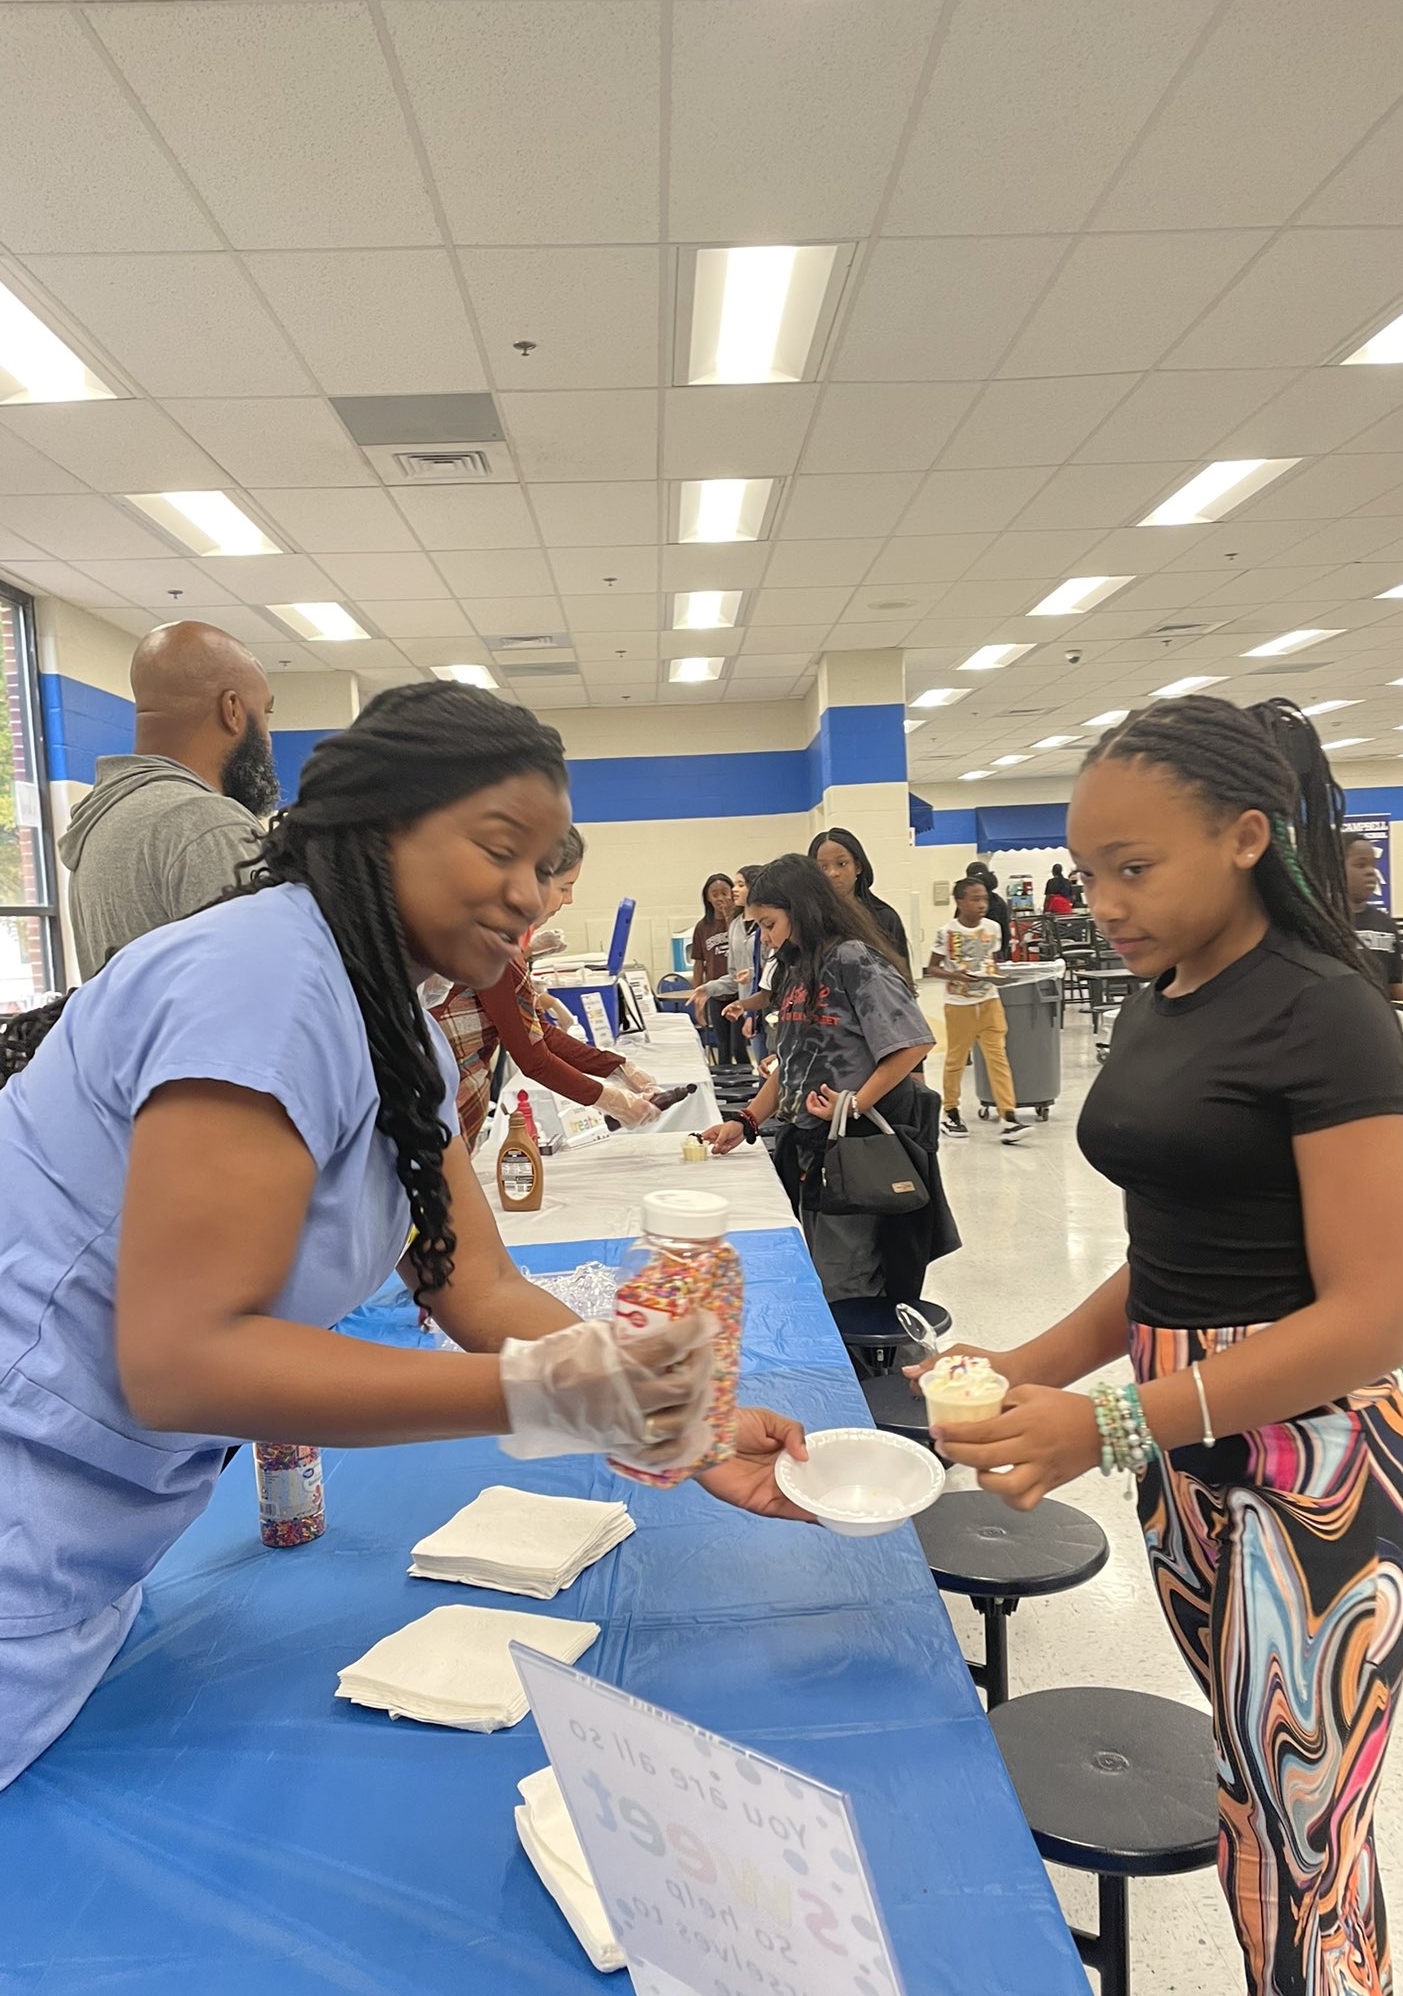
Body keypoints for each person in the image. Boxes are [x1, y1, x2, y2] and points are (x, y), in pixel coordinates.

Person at [0, 684, 810, 1792]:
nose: (529, 894)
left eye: (545, 863)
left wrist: (682, 1422)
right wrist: (550, 1392)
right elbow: (182, 1360)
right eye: (499, 848)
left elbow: (475, 1284)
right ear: (379, 826)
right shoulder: (264, 978)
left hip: (87, 1543)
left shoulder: (395, 1027)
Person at [932, 696, 1403, 1996]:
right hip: (1190, 1463)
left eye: (1134, 868)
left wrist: (1106, 1421)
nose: (1100, 902)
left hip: (1320, 1481)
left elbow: (1373, 1318)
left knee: (1296, 1852)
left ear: (1245, 838)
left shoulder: (1327, 1014)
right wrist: (1029, 1361)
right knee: (1265, 1819)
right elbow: (1170, 1255)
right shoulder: (1165, 998)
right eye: (1087, 869)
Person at [704, 856, 955, 1303]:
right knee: (816, 1270)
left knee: (845, 1281)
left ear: (801, 909)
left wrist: (856, 1102)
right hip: (808, 1144)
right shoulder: (793, 967)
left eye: (769, 924)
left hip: (854, 1148)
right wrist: (746, 1120)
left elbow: (912, 1043)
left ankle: (858, 1348)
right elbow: (792, 1063)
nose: (766, 937)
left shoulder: (852, 959)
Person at [59, 621, 280, 978]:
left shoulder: (102, 819)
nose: (267, 738)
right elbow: (265, 987)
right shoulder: (206, 823)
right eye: (265, 715)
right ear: (233, 710)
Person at [429, 826, 658, 1147]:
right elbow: (533, 1058)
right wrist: (611, 1100)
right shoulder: (493, 945)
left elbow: (536, 1031)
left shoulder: (485, 929)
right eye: (565, 887)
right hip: (439, 1105)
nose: (569, 900)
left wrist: (617, 1066)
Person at [926, 876, 1030, 1144]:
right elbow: (933, 967)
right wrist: (957, 976)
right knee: (956, 1060)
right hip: (959, 1006)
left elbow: (990, 960)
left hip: (989, 1002)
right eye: (975, 899)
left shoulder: (993, 928)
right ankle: (950, 1111)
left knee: (998, 1059)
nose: (982, 904)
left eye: (984, 899)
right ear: (960, 902)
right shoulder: (946, 932)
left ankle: (1008, 1115)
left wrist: (997, 975)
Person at [812, 829, 912, 977]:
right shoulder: (810, 921)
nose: (833, 873)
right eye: (823, 867)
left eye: (841, 863)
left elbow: (903, 977)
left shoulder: (885, 918)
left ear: (858, 867)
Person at [1344, 833, 1403, 999]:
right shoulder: (1319, 922)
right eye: (1360, 865)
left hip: (1378, 1014)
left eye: (1373, 865)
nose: (1370, 872)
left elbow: (1394, 983)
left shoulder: (1385, 924)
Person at [689, 872, 745, 1062]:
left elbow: (737, 943)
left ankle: (748, 1080)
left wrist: (729, 916)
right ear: (707, 898)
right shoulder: (702, 927)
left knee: (739, 1047)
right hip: (715, 992)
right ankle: (724, 1080)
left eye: (724, 893)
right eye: (715, 894)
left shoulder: (740, 922)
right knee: (723, 1046)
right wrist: (698, 995)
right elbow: (698, 963)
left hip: (739, 992)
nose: (720, 898)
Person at [727, 866, 765, 1062]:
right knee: (762, 1065)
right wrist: (707, 989)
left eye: (740, 885)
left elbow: (771, 967)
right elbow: (733, 974)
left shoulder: (767, 923)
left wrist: (752, 973)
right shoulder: (734, 925)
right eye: (734, 884)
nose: (734, 889)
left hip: (767, 1006)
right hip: (749, 1007)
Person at [964, 858, 1015, 957]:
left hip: (972, 952)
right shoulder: (998, 901)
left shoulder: (967, 902)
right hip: (994, 952)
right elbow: (1005, 933)